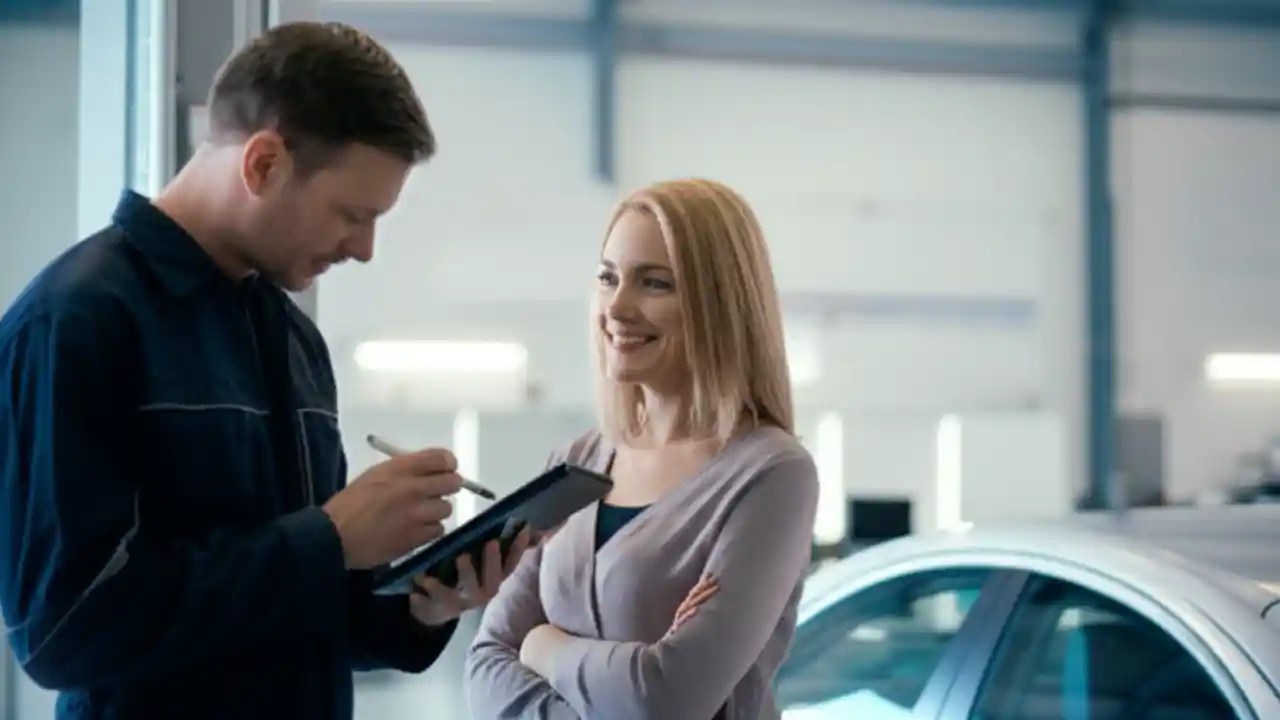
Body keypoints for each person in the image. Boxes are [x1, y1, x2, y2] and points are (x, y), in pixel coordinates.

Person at [0, 22, 528, 720]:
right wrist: (329, 537)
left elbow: (308, 621)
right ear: (263, 164)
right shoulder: (76, 321)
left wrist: (425, 605)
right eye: (351, 214)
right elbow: (63, 633)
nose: (365, 249)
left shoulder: (293, 338)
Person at [465, 178, 820, 719]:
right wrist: (627, 672)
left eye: (655, 284)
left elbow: (667, 699)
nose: (618, 307)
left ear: (720, 303)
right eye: (608, 278)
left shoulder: (771, 474)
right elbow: (486, 668)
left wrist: (542, 645)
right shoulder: (577, 460)